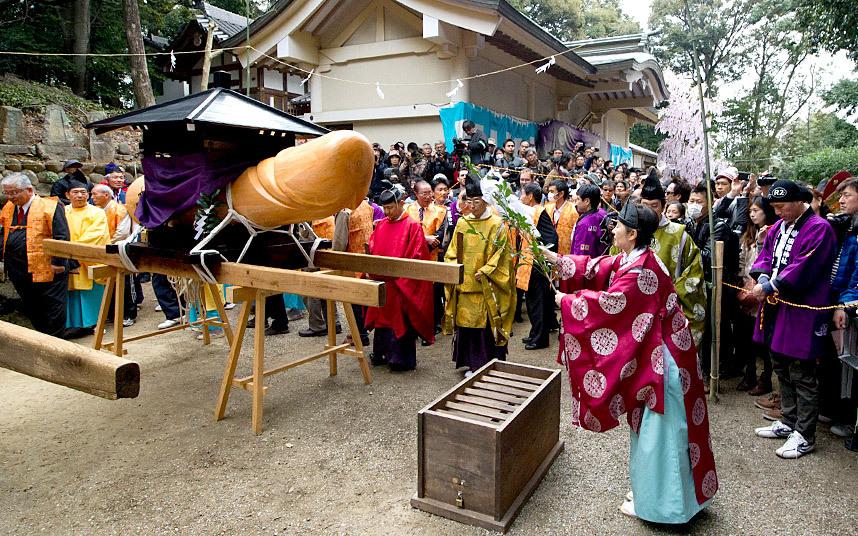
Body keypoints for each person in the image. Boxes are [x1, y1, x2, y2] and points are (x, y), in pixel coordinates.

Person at [549, 202, 717, 523]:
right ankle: (659, 496)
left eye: (618, 226)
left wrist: (567, 301)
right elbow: (600, 266)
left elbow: (613, 303)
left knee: (662, 434)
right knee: (657, 431)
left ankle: (666, 508)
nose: (612, 230)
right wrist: (556, 260)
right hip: (664, 351)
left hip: (664, 360)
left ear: (633, 233)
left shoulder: (642, 271)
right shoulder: (636, 257)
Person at [752, 180, 837, 458]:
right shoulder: (779, 227)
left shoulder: (819, 228)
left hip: (804, 308)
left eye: (781, 206)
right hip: (779, 305)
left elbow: (805, 265)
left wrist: (771, 285)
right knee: (779, 362)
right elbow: (765, 256)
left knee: (802, 371)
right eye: (774, 207)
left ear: (800, 201)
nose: (778, 213)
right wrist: (763, 275)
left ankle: (805, 432)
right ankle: (788, 420)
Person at [443, 179, 515, 376]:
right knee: (466, 326)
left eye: (476, 201)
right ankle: (470, 362)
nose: (472, 206)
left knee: (484, 326)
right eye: (469, 201)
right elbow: (452, 251)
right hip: (464, 284)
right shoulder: (463, 223)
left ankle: (485, 365)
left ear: (485, 200)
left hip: (484, 285)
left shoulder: (497, 224)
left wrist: (485, 271)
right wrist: (452, 267)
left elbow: (501, 256)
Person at [632, 170, 707, 346]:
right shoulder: (631, 232)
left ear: (664, 205)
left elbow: (693, 274)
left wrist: (668, 298)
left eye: (654, 205)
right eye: (644, 205)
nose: (649, 210)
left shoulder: (679, 235)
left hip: (668, 309)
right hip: (636, 307)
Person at [365, 188, 434, 371]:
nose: (387, 212)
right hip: (384, 284)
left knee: (399, 319)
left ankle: (400, 359)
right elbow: (373, 248)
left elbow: (417, 257)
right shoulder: (381, 225)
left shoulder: (412, 226)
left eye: (390, 207)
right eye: (384, 208)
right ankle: (381, 354)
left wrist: (400, 280)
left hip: (401, 285)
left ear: (400, 204)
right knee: (382, 319)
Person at [0, 173, 73, 337]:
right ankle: (43, 339)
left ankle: (55, 344)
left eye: (14, 193)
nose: (10, 197)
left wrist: (58, 262)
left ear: (29, 190)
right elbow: (2, 232)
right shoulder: (9, 208)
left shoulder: (50, 206)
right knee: (32, 306)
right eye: (7, 193)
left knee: (53, 308)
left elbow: (61, 235)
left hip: (48, 268)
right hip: (19, 269)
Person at [686, 183, 740, 379]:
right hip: (698, 284)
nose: (693, 205)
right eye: (691, 201)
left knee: (714, 329)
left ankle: (715, 369)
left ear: (710, 203)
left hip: (719, 285)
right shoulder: (690, 224)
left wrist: (685, 252)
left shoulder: (718, 226)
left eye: (699, 202)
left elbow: (708, 257)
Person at [825, 177, 858, 438]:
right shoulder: (846, 225)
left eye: (847, 195)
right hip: (836, 297)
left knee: (849, 362)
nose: (842, 200)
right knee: (835, 359)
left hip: (849, 304)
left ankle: (849, 419)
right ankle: (835, 408)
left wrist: (844, 305)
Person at [64, 181, 110, 337]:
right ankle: (72, 324)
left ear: (88, 195)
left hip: (88, 258)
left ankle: (95, 323)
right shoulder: (63, 211)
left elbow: (96, 235)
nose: (79, 195)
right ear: (67, 195)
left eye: (83, 192)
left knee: (91, 292)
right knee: (71, 293)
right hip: (68, 258)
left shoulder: (97, 212)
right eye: (75, 192)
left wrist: (73, 250)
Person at [517, 183, 558, 350]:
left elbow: (551, 238)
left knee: (538, 302)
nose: (520, 197)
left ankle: (540, 339)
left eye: (522, 194)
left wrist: (540, 254)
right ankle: (535, 333)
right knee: (535, 301)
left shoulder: (539, 212)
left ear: (530, 196)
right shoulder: (530, 212)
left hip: (538, 265)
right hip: (530, 263)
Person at [91, 184, 137, 327]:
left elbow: (122, 233)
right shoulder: (97, 210)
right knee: (110, 281)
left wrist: (107, 243)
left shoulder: (119, 209)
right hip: (107, 250)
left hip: (120, 249)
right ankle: (113, 313)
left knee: (126, 283)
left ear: (106, 195)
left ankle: (129, 314)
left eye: (94, 194)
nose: (92, 197)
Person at [332, 198, 376, 347]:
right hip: (368, 258)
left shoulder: (345, 212)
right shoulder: (366, 205)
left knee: (354, 302)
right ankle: (362, 331)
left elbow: (339, 243)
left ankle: (360, 335)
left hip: (352, 262)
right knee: (364, 300)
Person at [571, 184, 607, 257]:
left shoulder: (584, 224)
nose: (576, 203)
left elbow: (581, 255)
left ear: (587, 201)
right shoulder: (602, 213)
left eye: (578, 199)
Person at [545, 180, 578, 255]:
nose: (549, 194)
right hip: (549, 250)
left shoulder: (573, 211)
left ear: (561, 194)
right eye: (549, 191)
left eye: (552, 191)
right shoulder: (547, 208)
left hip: (566, 252)